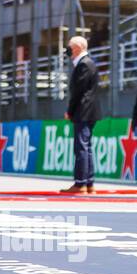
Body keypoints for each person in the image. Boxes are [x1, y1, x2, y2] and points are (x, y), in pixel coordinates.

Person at [62, 37, 101, 195]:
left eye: (70, 47)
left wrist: (70, 111)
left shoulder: (84, 64)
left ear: (77, 47)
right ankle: (88, 183)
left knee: (81, 148)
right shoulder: (86, 63)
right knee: (86, 148)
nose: (68, 49)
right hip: (88, 110)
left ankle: (80, 184)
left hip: (83, 111)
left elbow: (78, 91)